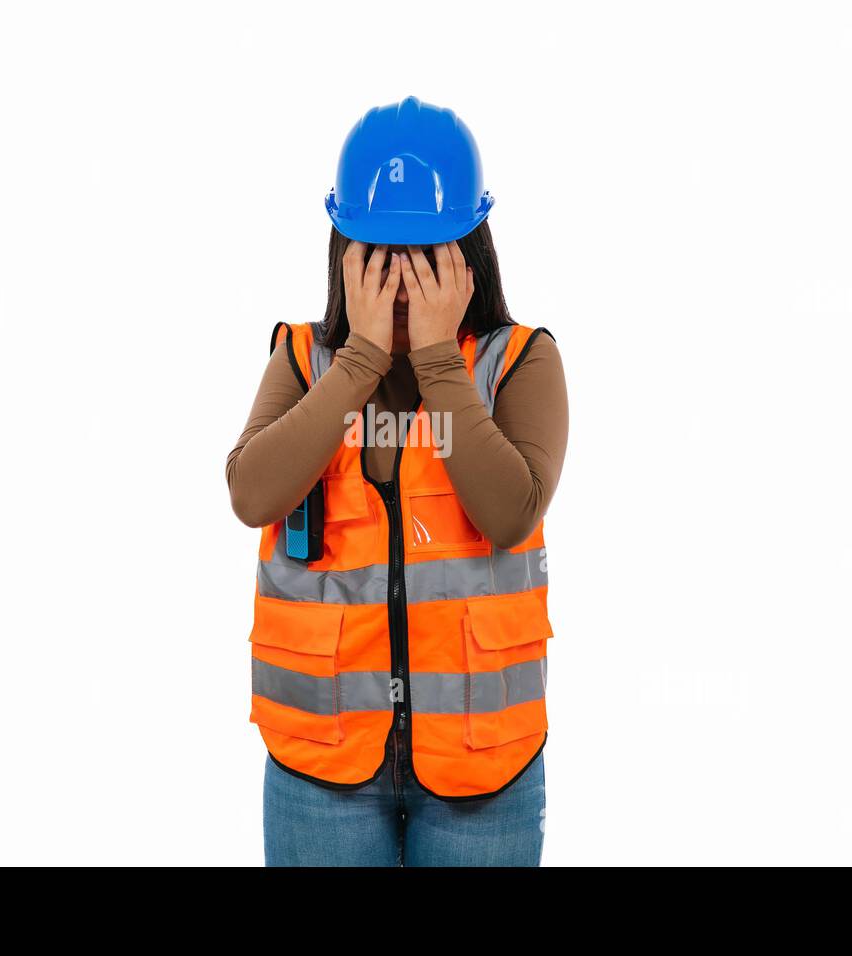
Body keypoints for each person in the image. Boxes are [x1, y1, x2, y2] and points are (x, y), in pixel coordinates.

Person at [226, 97, 569, 866]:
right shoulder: (305, 361)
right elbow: (253, 494)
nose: (404, 281)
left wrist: (442, 359)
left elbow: (510, 511)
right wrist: (360, 360)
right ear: (344, 251)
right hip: (321, 765)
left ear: (471, 252)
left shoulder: (522, 364)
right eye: (381, 254)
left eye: (427, 254)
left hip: (484, 770)